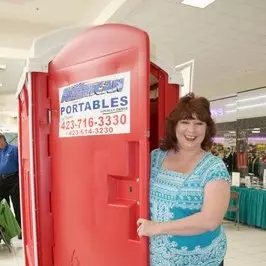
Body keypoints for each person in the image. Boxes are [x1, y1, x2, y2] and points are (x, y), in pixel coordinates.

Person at [137, 93, 230, 266]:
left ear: (207, 129)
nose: (191, 130)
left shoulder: (214, 167)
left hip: (201, 259)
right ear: (174, 125)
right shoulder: (155, 157)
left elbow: (210, 220)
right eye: (185, 122)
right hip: (158, 258)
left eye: (198, 123)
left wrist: (156, 228)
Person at [0, 133, 21, 228]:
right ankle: (7, 227)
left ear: (4, 140)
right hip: (1, 180)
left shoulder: (13, 149)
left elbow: (20, 164)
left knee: (16, 204)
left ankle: (19, 227)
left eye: (0, 140)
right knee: (3, 205)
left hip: (13, 179)